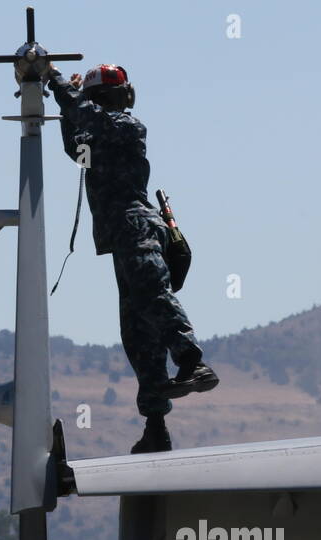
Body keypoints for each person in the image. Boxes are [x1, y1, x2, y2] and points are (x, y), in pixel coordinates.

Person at [45, 63, 218, 454]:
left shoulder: (125, 126)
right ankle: (155, 422)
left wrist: (56, 82)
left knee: (153, 296)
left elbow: (87, 118)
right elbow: (77, 149)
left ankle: (192, 361)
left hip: (136, 227)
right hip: (123, 235)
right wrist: (64, 107)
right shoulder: (99, 133)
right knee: (137, 329)